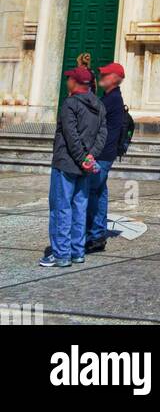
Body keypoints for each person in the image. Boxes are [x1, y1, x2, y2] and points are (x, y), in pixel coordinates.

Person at [40, 67, 106, 269]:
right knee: (80, 207)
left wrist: (81, 157)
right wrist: (90, 157)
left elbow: (71, 135)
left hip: (66, 164)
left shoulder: (70, 104)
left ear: (75, 82)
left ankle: (61, 254)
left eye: (69, 78)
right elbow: (103, 134)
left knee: (61, 208)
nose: (67, 80)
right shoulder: (99, 104)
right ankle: (77, 251)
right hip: (85, 166)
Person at [85, 62, 127, 254]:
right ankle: (98, 235)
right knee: (99, 192)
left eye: (105, 75)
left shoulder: (112, 100)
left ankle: (94, 235)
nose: (101, 77)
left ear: (115, 78)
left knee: (92, 193)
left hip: (102, 154)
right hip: (106, 153)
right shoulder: (110, 98)